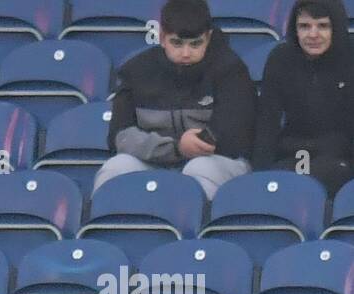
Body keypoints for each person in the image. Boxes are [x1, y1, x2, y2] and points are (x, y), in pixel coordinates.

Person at [95, 0, 256, 199]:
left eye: (196, 44)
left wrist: (197, 146)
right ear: (162, 38)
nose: (186, 53)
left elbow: (236, 136)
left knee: (199, 169)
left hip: (219, 162)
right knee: (115, 168)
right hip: (155, 160)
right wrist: (176, 147)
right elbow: (120, 136)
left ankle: (195, 227)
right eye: (177, 43)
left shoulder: (231, 70)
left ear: (209, 37)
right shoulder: (137, 71)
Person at [252, 0, 354, 197]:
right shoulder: (280, 59)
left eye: (323, 26)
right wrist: (259, 177)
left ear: (337, 27)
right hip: (293, 153)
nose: (313, 35)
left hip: (341, 157)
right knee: (277, 183)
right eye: (304, 26)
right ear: (294, 28)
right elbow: (267, 122)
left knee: (330, 173)